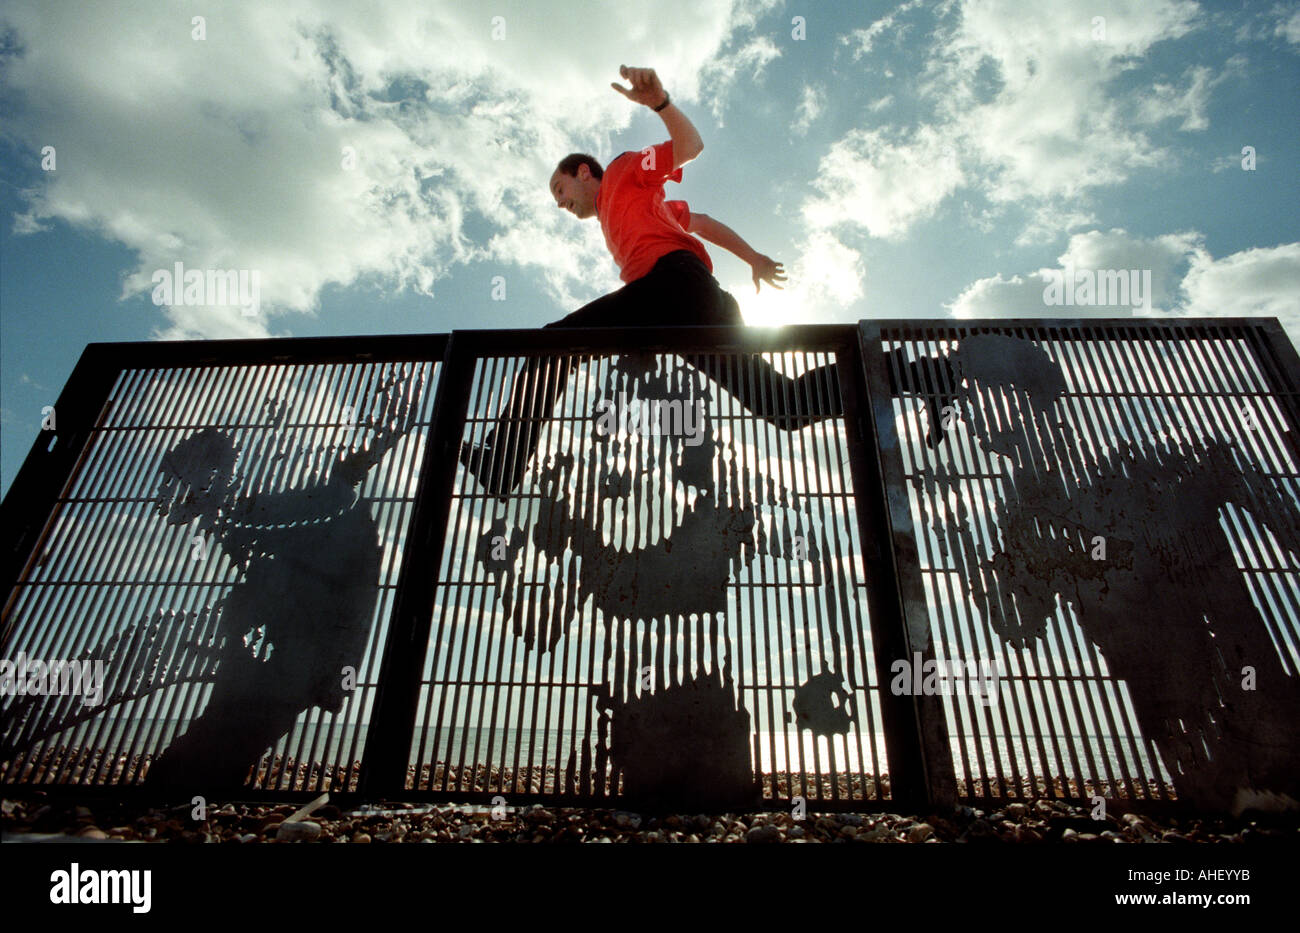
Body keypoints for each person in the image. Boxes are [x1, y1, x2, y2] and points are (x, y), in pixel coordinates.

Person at [460, 65, 844, 499]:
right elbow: (702, 222)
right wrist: (752, 258)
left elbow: (691, 146)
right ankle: (918, 373)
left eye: (559, 189)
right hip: (699, 306)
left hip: (675, 286)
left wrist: (660, 104)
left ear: (583, 171)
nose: (560, 202)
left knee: (551, 346)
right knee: (783, 406)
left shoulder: (624, 172)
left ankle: (502, 463)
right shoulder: (645, 207)